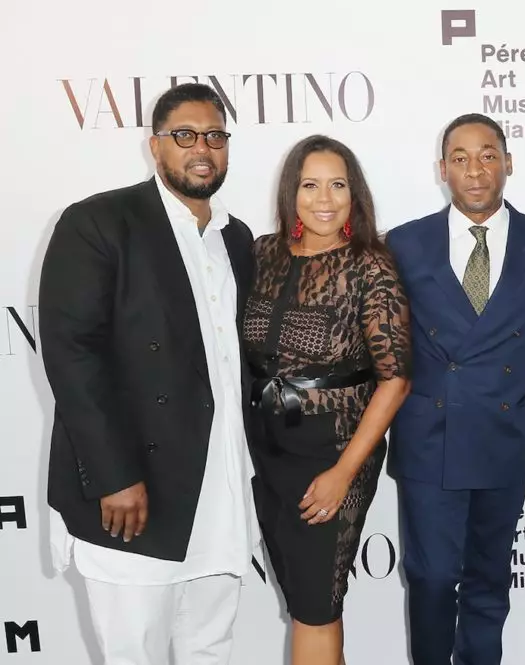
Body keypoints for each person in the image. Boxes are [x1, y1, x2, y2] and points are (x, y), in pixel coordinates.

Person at [39, 83, 260, 664]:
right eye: (184, 135)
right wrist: (113, 474)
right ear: (155, 146)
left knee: (210, 648)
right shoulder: (100, 222)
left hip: (220, 490)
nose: (202, 149)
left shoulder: (235, 239)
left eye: (215, 135)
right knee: (132, 652)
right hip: (134, 496)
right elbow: (72, 353)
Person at [385, 113, 525, 664]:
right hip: (428, 439)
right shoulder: (404, 243)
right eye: (460, 158)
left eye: (487, 155)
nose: (474, 170)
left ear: (508, 163)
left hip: (502, 435)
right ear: (442, 169)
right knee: (434, 579)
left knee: (489, 581)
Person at [242, 134, 411, 665]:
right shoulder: (264, 253)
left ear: (354, 194)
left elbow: (396, 379)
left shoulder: (369, 267)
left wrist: (343, 472)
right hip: (268, 451)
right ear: (291, 193)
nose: (323, 198)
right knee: (301, 604)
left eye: (337, 184)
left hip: (334, 452)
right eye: (310, 184)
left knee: (318, 607)